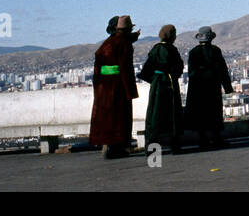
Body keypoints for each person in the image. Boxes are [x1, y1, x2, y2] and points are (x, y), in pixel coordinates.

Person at [90, 15, 140, 158]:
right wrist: (130, 90)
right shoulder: (124, 44)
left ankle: (110, 146)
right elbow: (125, 67)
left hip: (103, 86)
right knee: (120, 117)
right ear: (128, 29)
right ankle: (117, 148)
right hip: (118, 85)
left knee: (107, 117)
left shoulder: (108, 42)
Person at [139, 24, 185, 154]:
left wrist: (154, 80)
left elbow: (147, 68)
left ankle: (152, 146)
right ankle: (175, 145)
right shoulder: (172, 50)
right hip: (170, 83)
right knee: (173, 113)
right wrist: (173, 77)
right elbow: (179, 67)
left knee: (155, 113)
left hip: (157, 84)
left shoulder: (155, 49)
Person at [186, 26, 233, 148]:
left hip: (198, 88)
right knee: (215, 111)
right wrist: (227, 87)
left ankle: (202, 140)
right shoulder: (216, 50)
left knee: (200, 112)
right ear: (211, 38)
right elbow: (223, 70)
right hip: (213, 86)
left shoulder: (193, 52)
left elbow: (191, 72)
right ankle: (216, 138)